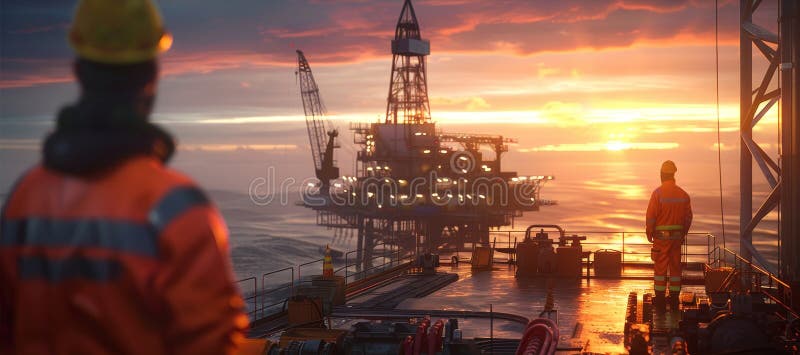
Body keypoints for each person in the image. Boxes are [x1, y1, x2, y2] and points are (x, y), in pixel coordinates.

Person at [0, 0, 248, 353]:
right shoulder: (176, 208)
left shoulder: (25, 197)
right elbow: (212, 343)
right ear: (151, 77)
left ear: (78, 70)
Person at [646, 160, 692, 313]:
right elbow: (688, 218)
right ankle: (673, 299)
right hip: (676, 240)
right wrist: (683, 232)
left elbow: (651, 216)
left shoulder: (657, 194)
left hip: (661, 239)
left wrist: (649, 231)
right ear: (673, 175)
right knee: (675, 268)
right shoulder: (683, 194)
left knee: (660, 269)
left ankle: (659, 300)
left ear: (661, 174)